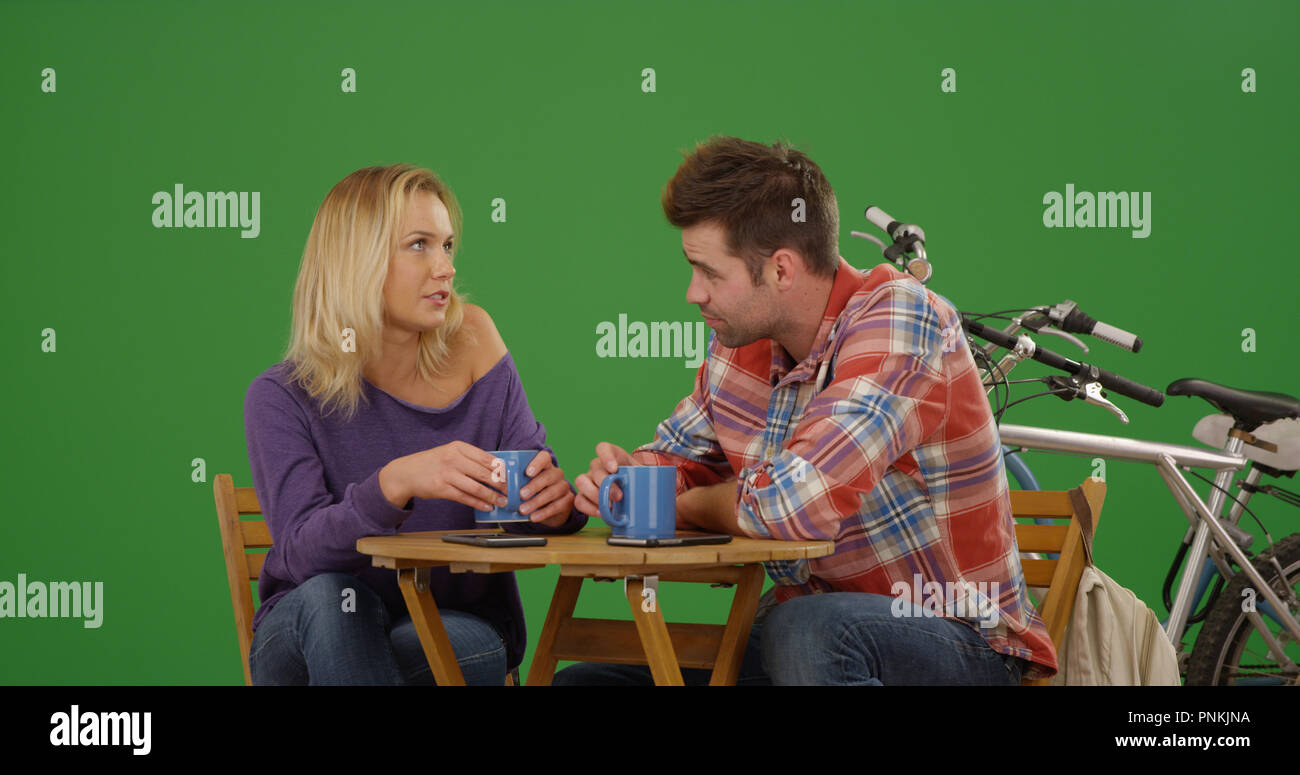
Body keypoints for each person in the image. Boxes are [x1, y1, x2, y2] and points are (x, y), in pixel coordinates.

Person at [557, 137, 1057, 685]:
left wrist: (688, 507)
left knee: (811, 630)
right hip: (807, 646)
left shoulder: (901, 320)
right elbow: (678, 459)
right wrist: (630, 484)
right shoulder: (738, 344)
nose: (692, 294)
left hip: (960, 638)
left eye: (709, 272)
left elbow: (793, 507)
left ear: (781, 270)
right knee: (590, 683)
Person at [243, 164, 584, 685]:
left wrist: (554, 506)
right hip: (306, 627)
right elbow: (300, 553)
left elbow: (523, 494)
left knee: (391, 657)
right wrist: (394, 484)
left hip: (453, 620)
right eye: (419, 245)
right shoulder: (282, 396)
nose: (444, 267)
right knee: (337, 601)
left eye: (447, 246)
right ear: (354, 260)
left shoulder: (474, 338)